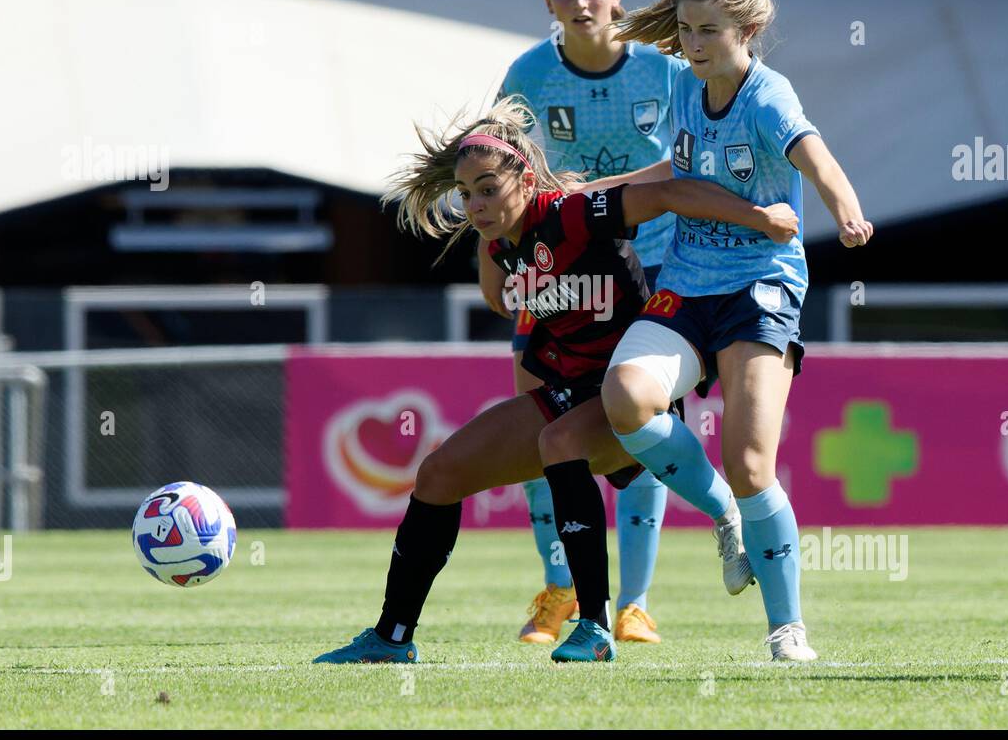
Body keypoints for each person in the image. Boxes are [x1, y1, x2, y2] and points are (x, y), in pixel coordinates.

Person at [313, 96, 799, 664]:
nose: (475, 203)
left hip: (631, 391)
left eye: (488, 188)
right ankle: (391, 638)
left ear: (524, 177)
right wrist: (492, 257)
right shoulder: (498, 242)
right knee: (438, 473)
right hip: (570, 392)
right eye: (466, 192)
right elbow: (500, 296)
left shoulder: (573, 213)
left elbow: (667, 193)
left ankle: (594, 627)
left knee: (559, 443)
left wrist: (760, 218)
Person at [598, 0, 874, 662]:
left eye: (708, 31)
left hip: (761, 285)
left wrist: (846, 211)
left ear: (747, 30)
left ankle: (787, 628)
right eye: (686, 30)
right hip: (688, 282)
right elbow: (673, 174)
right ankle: (719, 509)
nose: (692, 43)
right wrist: (590, 191)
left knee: (753, 464)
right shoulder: (686, 93)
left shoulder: (768, 97)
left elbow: (818, 158)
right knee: (625, 399)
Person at [476, 0, 705, 646]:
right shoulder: (529, 73)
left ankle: (634, 603)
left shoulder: (666, 71)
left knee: (635, 431)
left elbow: (689, 159)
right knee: (540, 425)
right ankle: (560, 590)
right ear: (549, 2)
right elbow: (499, 164)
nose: (581, 3)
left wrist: (605, 192)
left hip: (650, 271)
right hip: (557, 271)